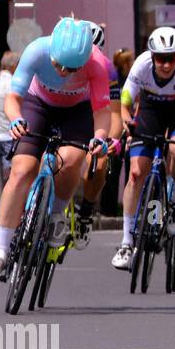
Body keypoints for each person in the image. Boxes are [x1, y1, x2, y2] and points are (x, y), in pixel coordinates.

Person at [0, 19, 111, 277]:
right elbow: (13, 98)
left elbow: (102, 110)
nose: (63, 71)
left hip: (76, 112)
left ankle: (55, 215)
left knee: (71, 159)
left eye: (71, 68)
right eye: (57, 65)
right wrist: (16, 118)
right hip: (37, 104)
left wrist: (100, 136)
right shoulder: (37, 49)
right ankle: (0, 251)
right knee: (21, 170)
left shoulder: (97, 64)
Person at [112, 27, 175, 271]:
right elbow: (125, 103)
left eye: (171, 58)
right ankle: (126, 242)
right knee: (135, 173)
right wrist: (126, 122)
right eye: (161, 58)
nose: (166, 64)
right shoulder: (141, 65)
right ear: (152, 56)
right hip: (150, 111)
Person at [73, 21, 123, 243]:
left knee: (99, 162)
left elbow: (115, 113)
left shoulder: (107, 69)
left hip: (94, 114)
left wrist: (111, 140)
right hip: (67, 110)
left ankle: (85, 212)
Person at [0, 50, 19, 180]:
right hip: (10, 133)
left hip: (0, 133)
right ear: (13, 65)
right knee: (14, 172)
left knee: (8, 170)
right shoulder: (12, 83)